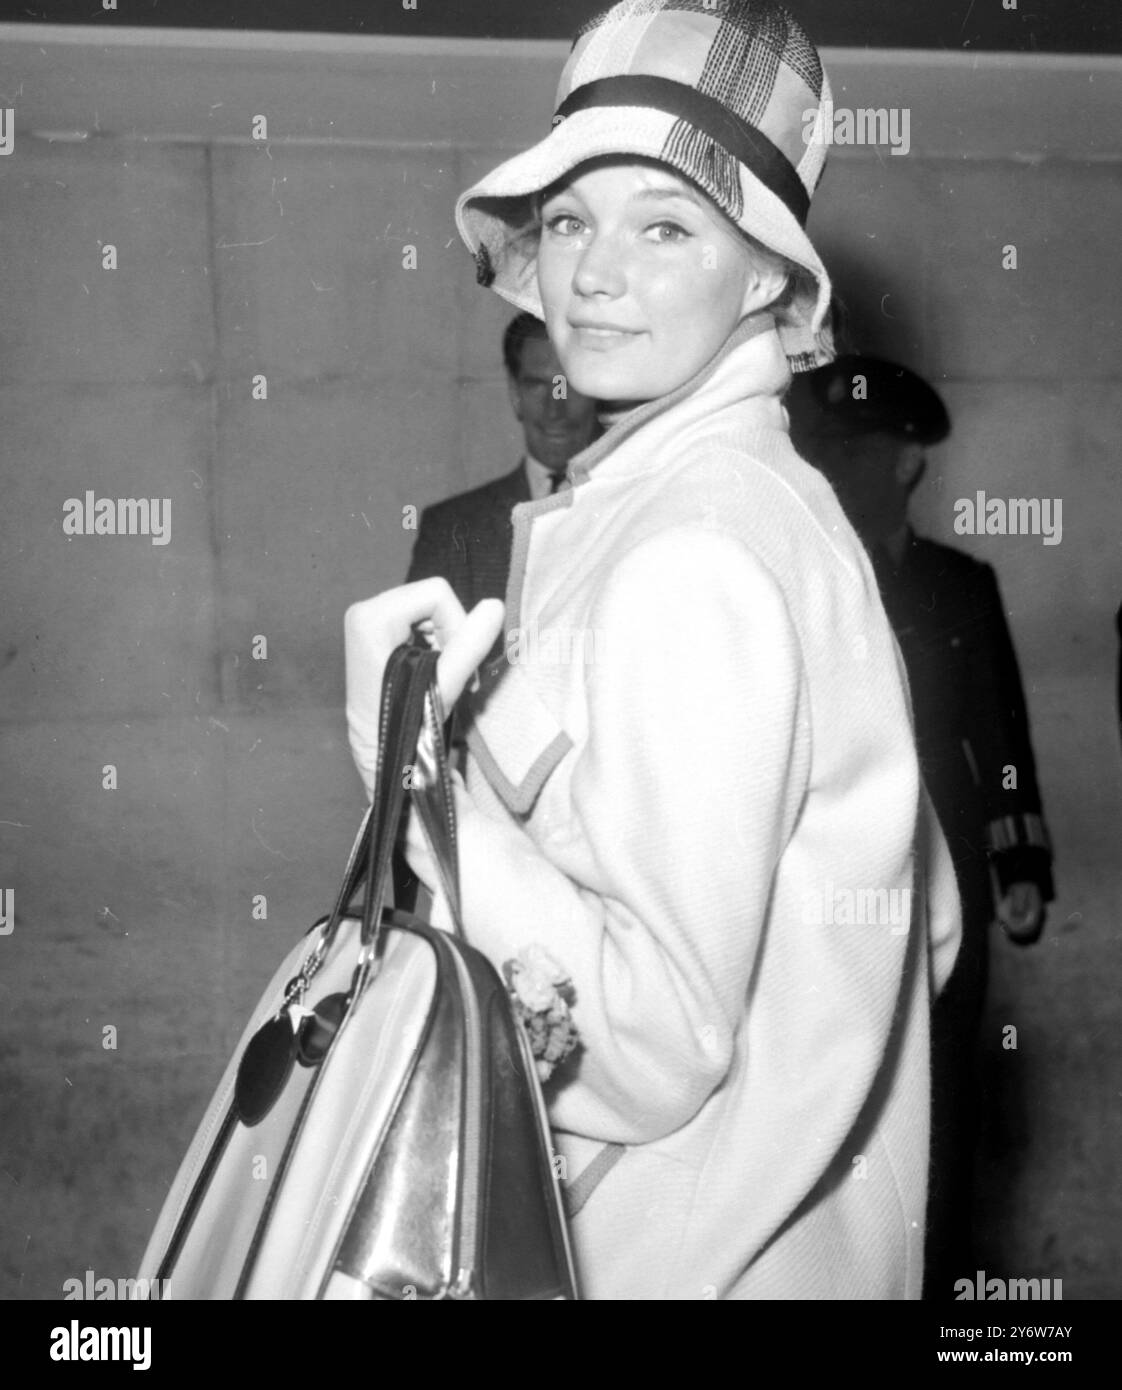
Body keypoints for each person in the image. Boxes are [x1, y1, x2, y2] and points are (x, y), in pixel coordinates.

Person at [345, 0, 960, 1300]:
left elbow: (647, 1042)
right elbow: (930, 923)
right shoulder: (745, 503)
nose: (591, 274)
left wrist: (419, 792)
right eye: (569, 218)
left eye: (665, 225)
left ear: (765, 277)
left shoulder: (698, 551)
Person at [789, 354, 1055, 1296]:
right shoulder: (811, 578)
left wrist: (1021, 864)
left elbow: (1003, 736)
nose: (841, 469)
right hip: (833, 888)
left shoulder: (959, 584)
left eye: (863, 452)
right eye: (831, 451)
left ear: (908, 465)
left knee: (941, 1120)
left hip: (951, 888)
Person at [405, 312, 598, 611]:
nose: (554, 410)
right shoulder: (450, 527)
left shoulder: (638, 508)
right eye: (536, 386)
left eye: (567, 384)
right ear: (514, 393)